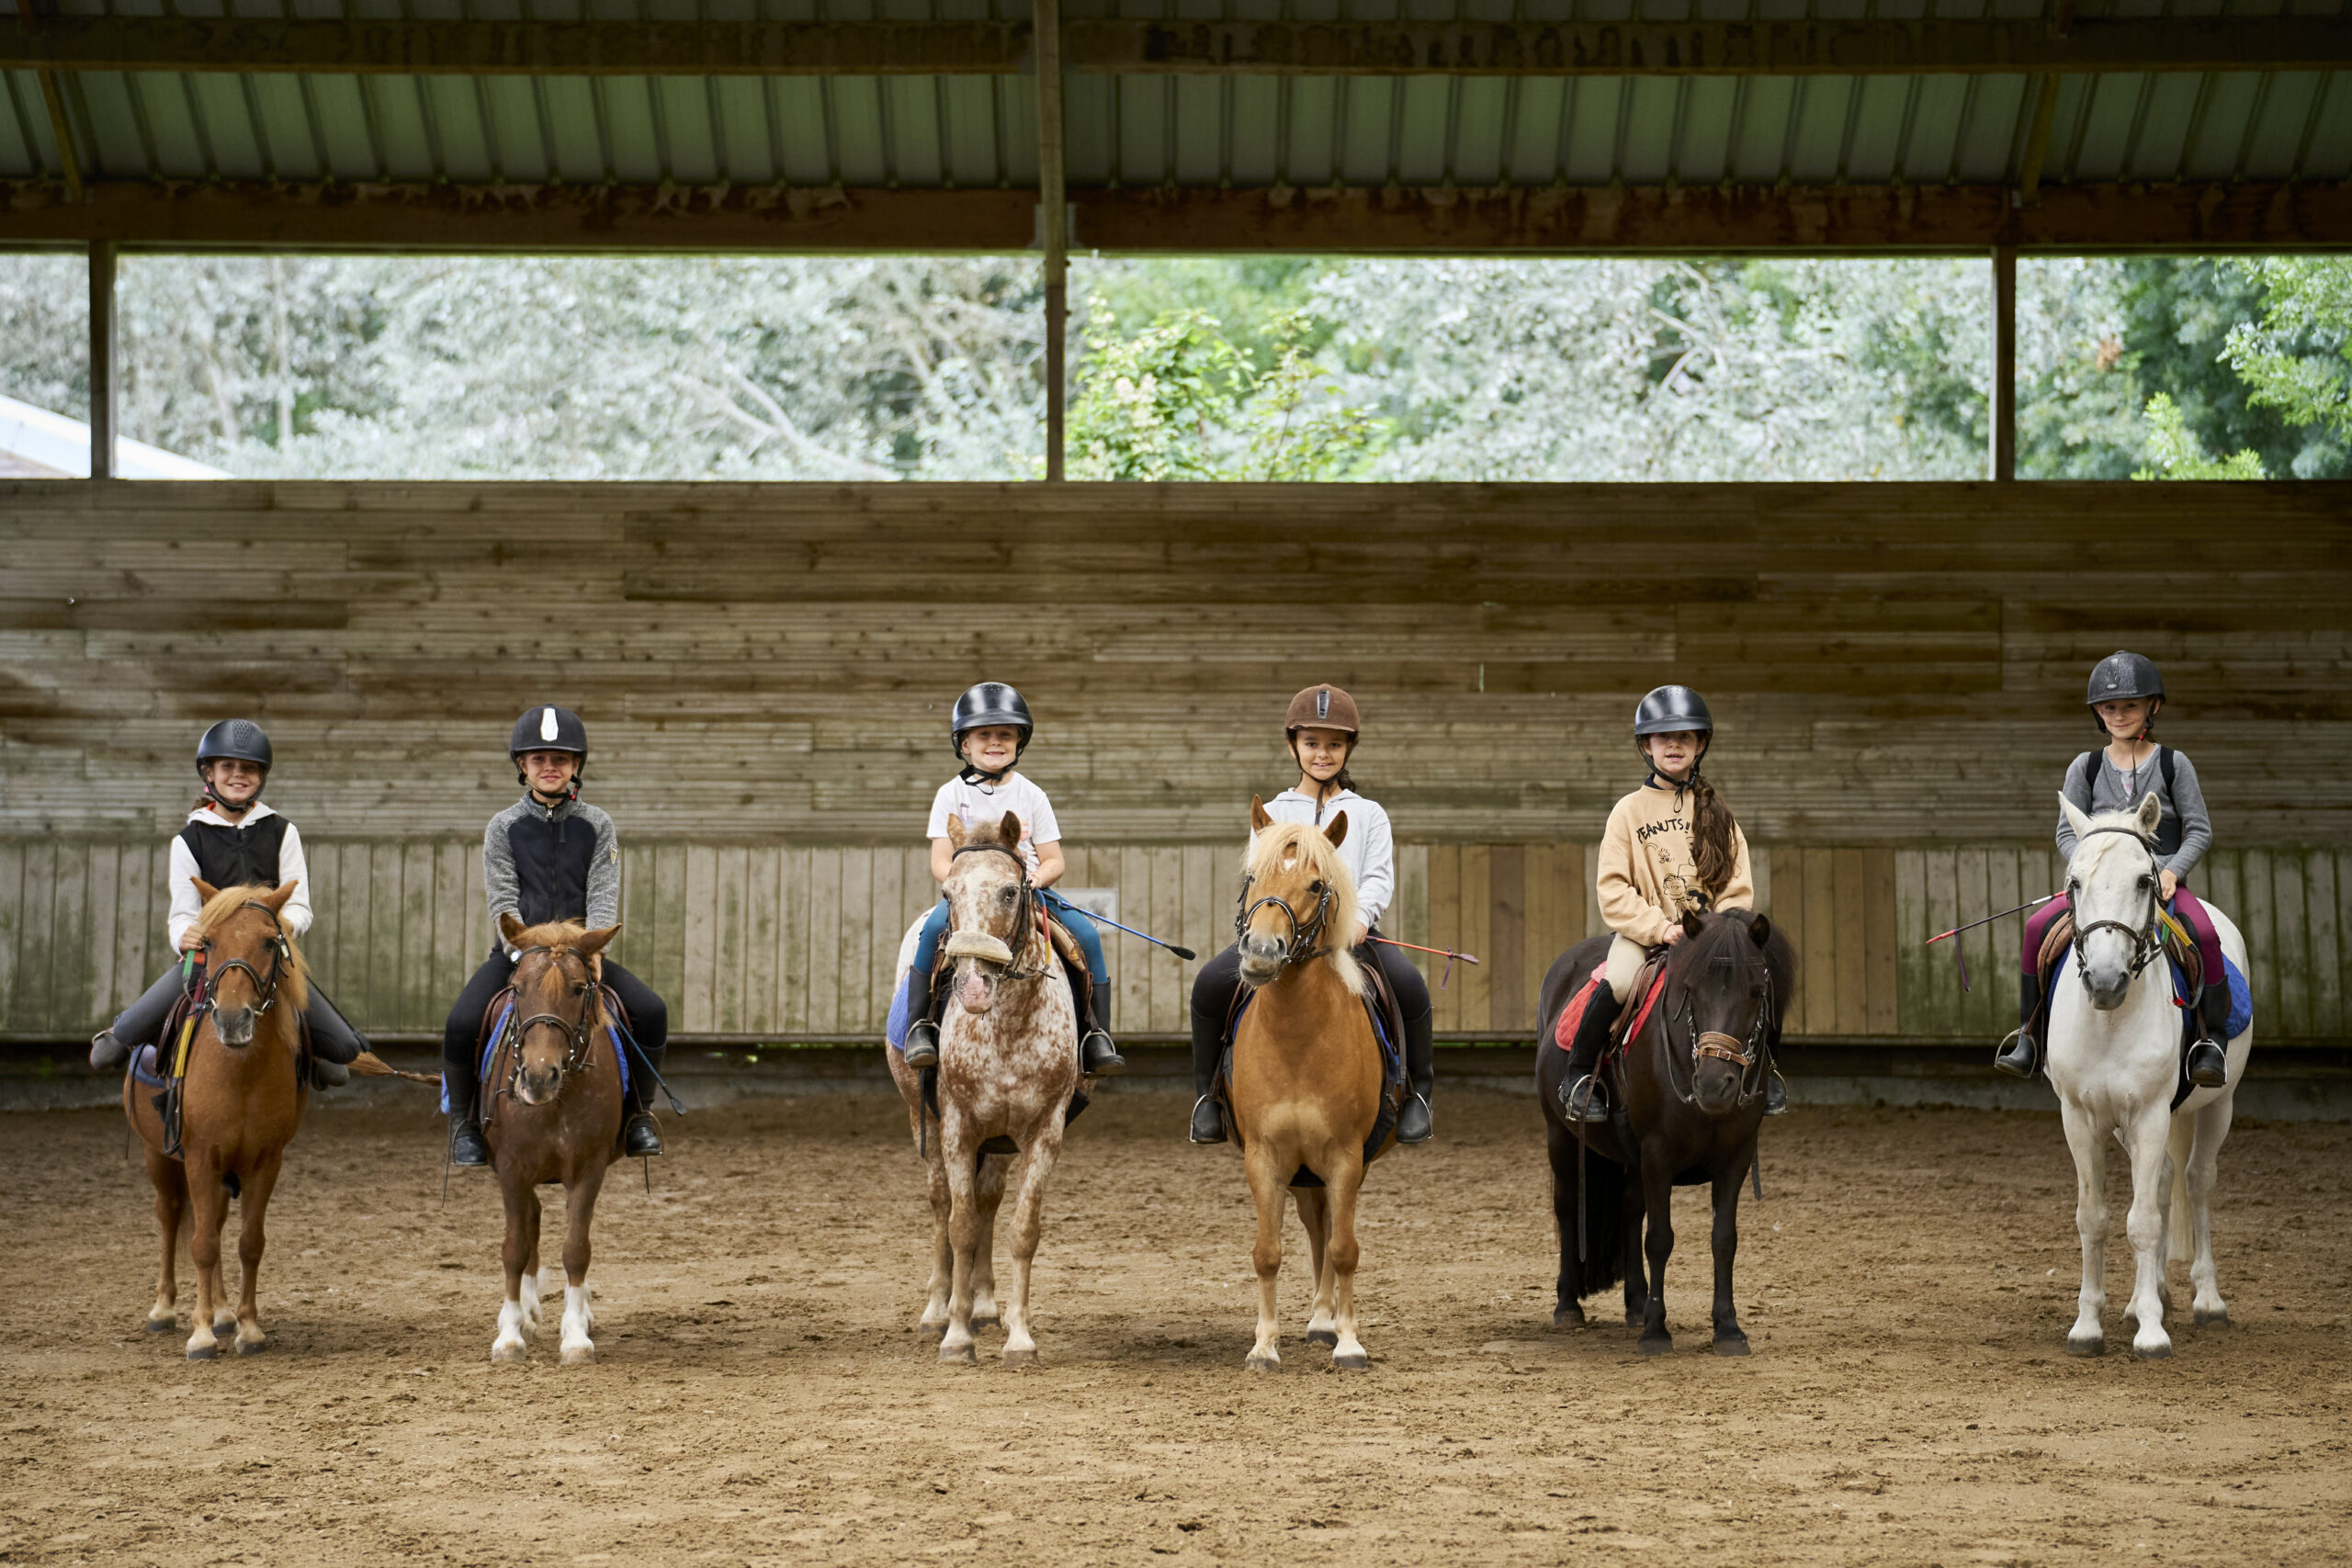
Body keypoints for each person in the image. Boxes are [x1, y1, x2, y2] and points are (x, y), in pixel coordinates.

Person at [1187, 684, 1437, 1145]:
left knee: (1409, 985)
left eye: (1334, 744)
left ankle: (1418, 1094)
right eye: (1312, 743)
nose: (1322, 754)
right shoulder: (1274, 812)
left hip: (1351, 936)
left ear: (1348, 749)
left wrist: (1359, 920)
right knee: (1208, 984)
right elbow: (1258, 879)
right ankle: (1208, 1096)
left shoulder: (1369, 814)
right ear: (1293, 746)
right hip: (1281, 933)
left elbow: (1378, 878)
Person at [440, 706, 669, 1168]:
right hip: (519, 954)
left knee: (651, 1011)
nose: (550, 767)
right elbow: (504, 901)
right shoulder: (502, 827)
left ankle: (638, 1117)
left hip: (581, 957)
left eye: (560, 759)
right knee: (461, 1023)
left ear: (575, 765)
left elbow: (602, 894)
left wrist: (594, 952)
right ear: (522, 765)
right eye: (539, 759)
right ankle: (464, 1125)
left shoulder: (598, 824)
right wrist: (523, 950)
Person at [87, 720, 367, 1088]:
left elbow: (300, 907)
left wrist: (281, 927)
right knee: (112, 1048)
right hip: (209, 958)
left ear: (261, 776)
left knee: (344, 1049)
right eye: (227, 767)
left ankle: (304, 1060)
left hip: (266, 956)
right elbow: (183, 914)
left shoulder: (283, 832)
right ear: (210, 774)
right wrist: (183, 936)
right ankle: (125, 1035)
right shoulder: (189, 840)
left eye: (249, 768)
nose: (238, 775)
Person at [1998, 650, 2231, 1088]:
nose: (2119, 715)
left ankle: (2210, 1041)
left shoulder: (2174, 764)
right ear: (2098, 713)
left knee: (2203, 934)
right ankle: (2029, 1037)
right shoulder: (2084, 767)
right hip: (2099, 889)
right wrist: (2089, 873)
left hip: (2159, 885)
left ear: (2152, 707)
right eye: (2109, 707)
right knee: (2035, 929)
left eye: (2129, 705)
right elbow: (2066, 833)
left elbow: (2199, 830)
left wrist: (2171, 873)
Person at [1559, 685, 1783, 1123]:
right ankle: (1579, 1076)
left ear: (1700, 745)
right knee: (1618, 982)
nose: (1674, 744)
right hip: (1646, 935)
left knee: (1760, 982)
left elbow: (1737, 888)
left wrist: (1717, 932)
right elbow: (1613, 888)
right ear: (1647, 746)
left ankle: (1768, 1072)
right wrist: (1661, 929)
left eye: (1685, 736)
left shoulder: (1719, 813)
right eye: (1664, 737)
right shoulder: (1628, 812)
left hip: (1710, 942)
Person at [898, 682, 1125, 1077]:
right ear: (964, 744)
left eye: (1005, 734)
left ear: (1019, 741)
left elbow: (1054, 860)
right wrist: (968, 889)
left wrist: (1032, 880)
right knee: (931, 931)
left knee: (1087, 936)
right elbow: (940, 862)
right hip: (968, 898)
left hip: (1024, 893)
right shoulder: (949, 794)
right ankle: (920, 1026)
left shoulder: (1032, 795)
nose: (995, 742)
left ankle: (1096, 1035)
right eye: (983, 734)